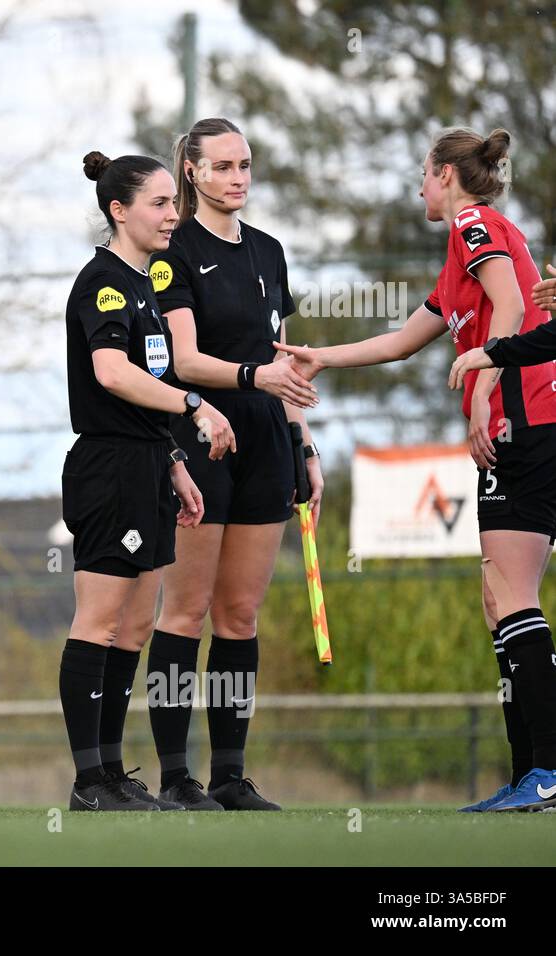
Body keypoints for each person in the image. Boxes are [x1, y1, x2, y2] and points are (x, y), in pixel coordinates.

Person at [278, 128, 556, 812]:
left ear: (445, 175)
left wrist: (486, 393)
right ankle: (531, 777)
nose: (419, 188)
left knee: (512, 593)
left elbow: (516, 308)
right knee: (502, 600)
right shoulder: (458, 255)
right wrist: (320, 355)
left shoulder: (472, 222)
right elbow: (404, 341)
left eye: (423, 174)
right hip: (525, 423)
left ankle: (545, 774)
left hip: (526, 420)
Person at [144, 117, 319, 811]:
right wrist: (254, 379)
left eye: (245, 163)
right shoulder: (172, 248)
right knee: (185, 611)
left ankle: (230, 776)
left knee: (240, 615)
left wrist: (303, 442)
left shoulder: (270, 251)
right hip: (201, 435)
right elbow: (183, 361)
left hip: (267, 438)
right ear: (191, 170)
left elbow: (287, 360)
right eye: (222, 166)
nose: (238, 177)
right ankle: (174, 776)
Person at [60, 149, 235, 812]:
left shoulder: (146, 286)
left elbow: (146, 387)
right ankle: (88, 781)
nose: (173, 214)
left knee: (134, 628)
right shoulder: (103, 282)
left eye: (173, 202)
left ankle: (111, 773)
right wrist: (193, 405)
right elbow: (112, 374)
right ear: (118, 210)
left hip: (146, 465)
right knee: (100, 622)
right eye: (160, 203)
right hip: (108, 468)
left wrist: (173, 462)